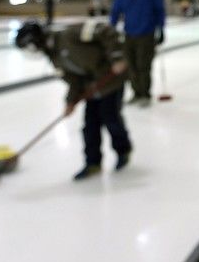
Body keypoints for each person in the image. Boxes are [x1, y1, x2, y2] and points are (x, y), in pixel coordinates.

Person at [14, 19, 132, 181]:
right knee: (90, 126)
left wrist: (116, 57)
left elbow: (106, 31)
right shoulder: (54, 57)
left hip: (110, 80)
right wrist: (70, 101)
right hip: (93, 88)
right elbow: (74, 81)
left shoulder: (69, 35)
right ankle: (92, 162)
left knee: (110, 118)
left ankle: (122, 151)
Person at [109, 0, 165, 107]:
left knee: (143, 65)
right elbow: (115, 13)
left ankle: (145, 94)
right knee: (131, 66)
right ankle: (136, 93)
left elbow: (160, 12)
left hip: (146, 34)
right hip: (129, 35)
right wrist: (111, 29)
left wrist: (161, 30)